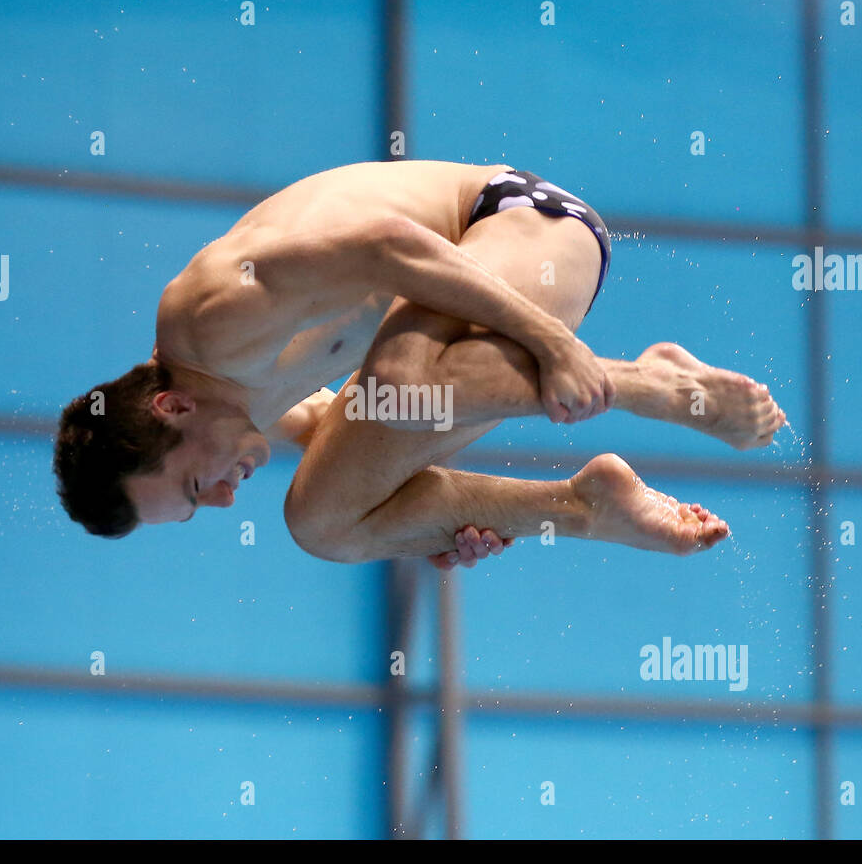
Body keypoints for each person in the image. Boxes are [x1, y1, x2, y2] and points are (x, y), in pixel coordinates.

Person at [54, 161, 786, 568]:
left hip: (520, 222)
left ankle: (651, 385)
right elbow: (363, 452)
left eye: (194, 485)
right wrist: (417, 525)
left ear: (170, 408)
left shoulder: (209, 316)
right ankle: (583, 507)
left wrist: (558, 346)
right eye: (198, 506)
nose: (222, 500)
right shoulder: (241, 405)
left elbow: (384, 242)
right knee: (323, 526)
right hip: (457, 307)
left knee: (400, 392)